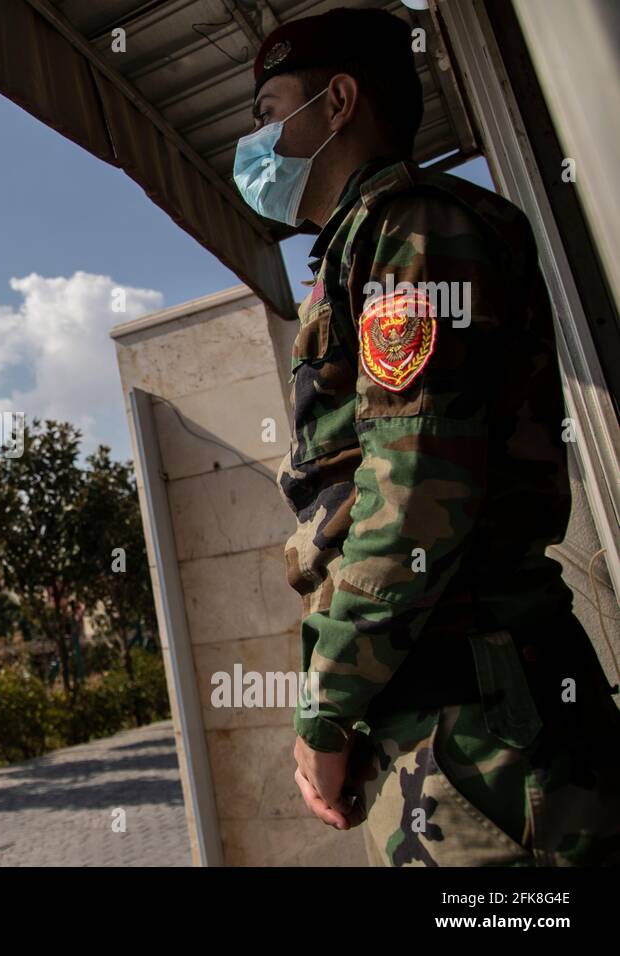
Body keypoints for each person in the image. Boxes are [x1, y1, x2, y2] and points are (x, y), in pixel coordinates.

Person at [233, 6, 620, 865]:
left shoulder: (414, 230)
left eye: (266, 114)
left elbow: (414, 495)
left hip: (481, 731)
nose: (253, 143)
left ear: (337, 103)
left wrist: (325, 708)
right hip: (436, 714)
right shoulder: (359, 246)